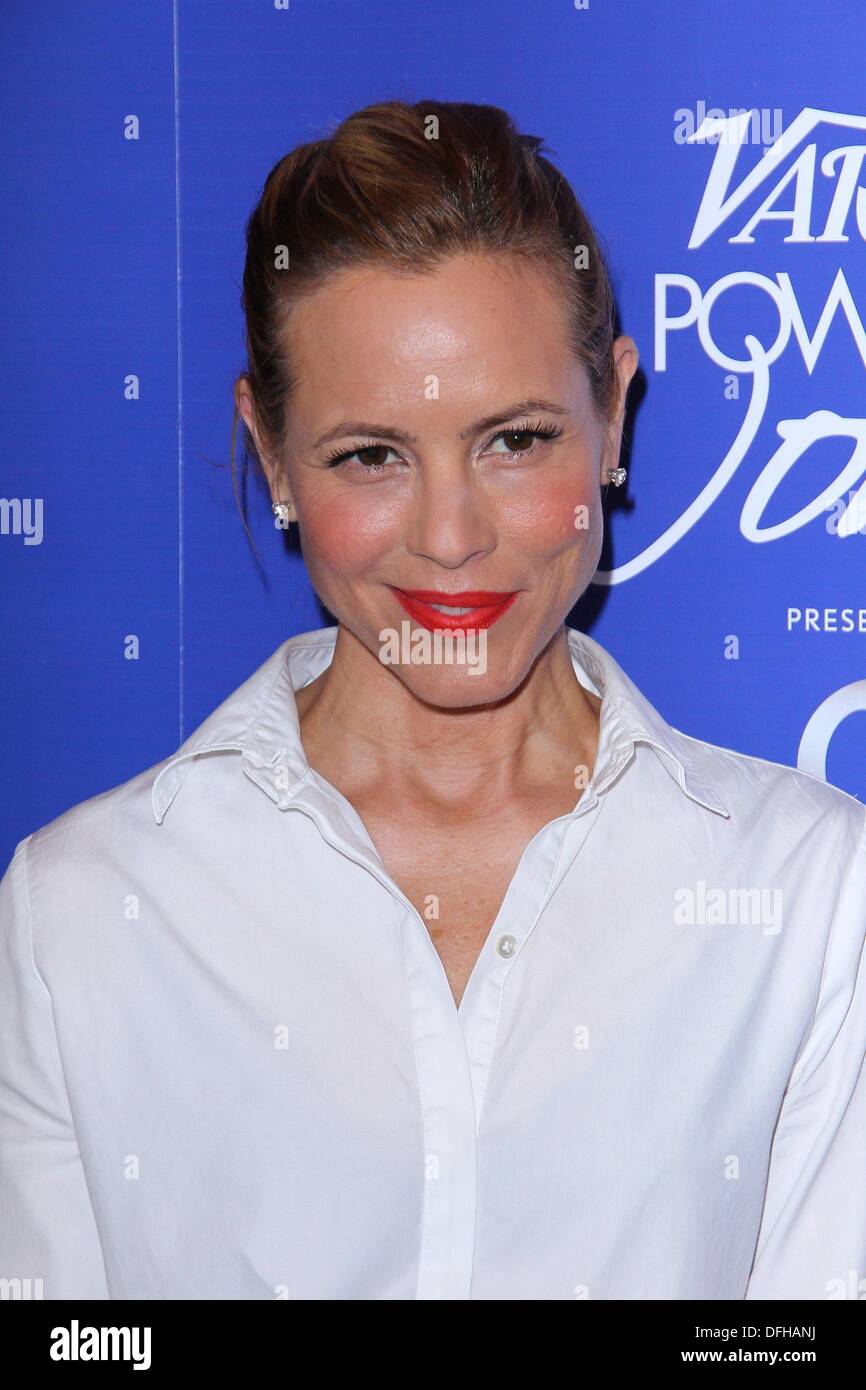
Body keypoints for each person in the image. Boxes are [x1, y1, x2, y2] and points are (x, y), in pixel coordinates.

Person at [1, 98, 864, 1302]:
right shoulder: (77, 915)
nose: (452, 539)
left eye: (514, 439)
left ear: (613, 415)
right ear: (270, 454)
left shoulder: (812, 892)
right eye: (370, 455)